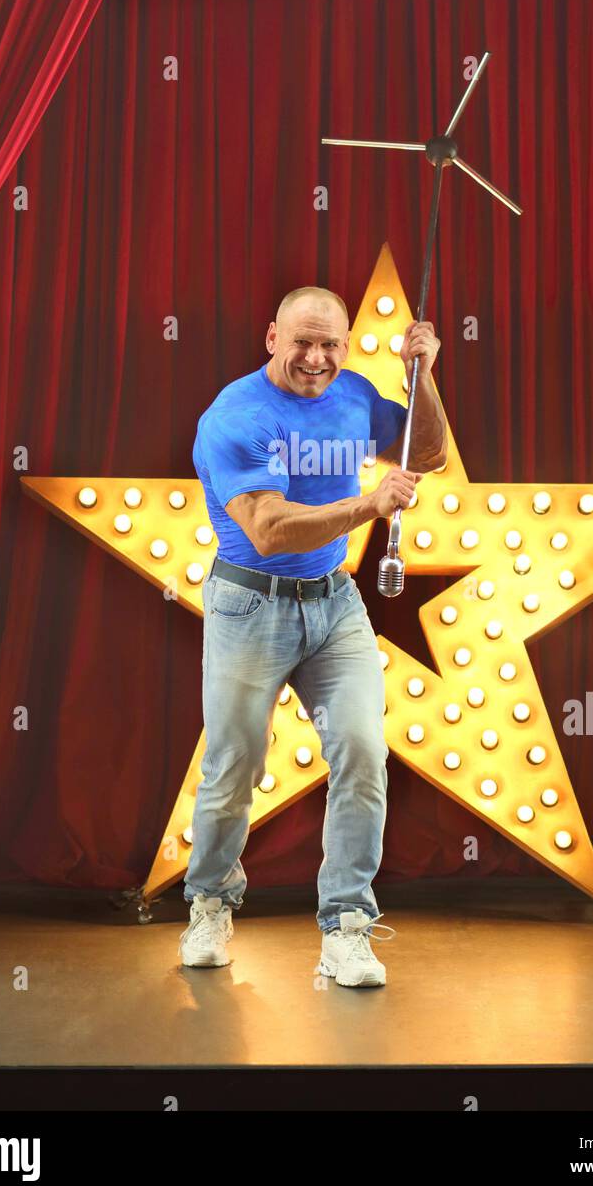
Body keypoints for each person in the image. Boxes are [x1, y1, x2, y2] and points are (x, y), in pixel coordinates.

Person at [180, 285, 447, 986]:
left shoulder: (356, 395)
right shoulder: (237, 417)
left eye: (331, 343)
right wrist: (368, 502)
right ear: (272, 337)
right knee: (234, 767)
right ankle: (209, 904)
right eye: (303, 341)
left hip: (335, 606)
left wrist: (425, 379)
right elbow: (267, 532)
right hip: (250, 605)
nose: (317, 358)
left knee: (362, 751)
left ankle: (347, 928)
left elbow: (429, 450)